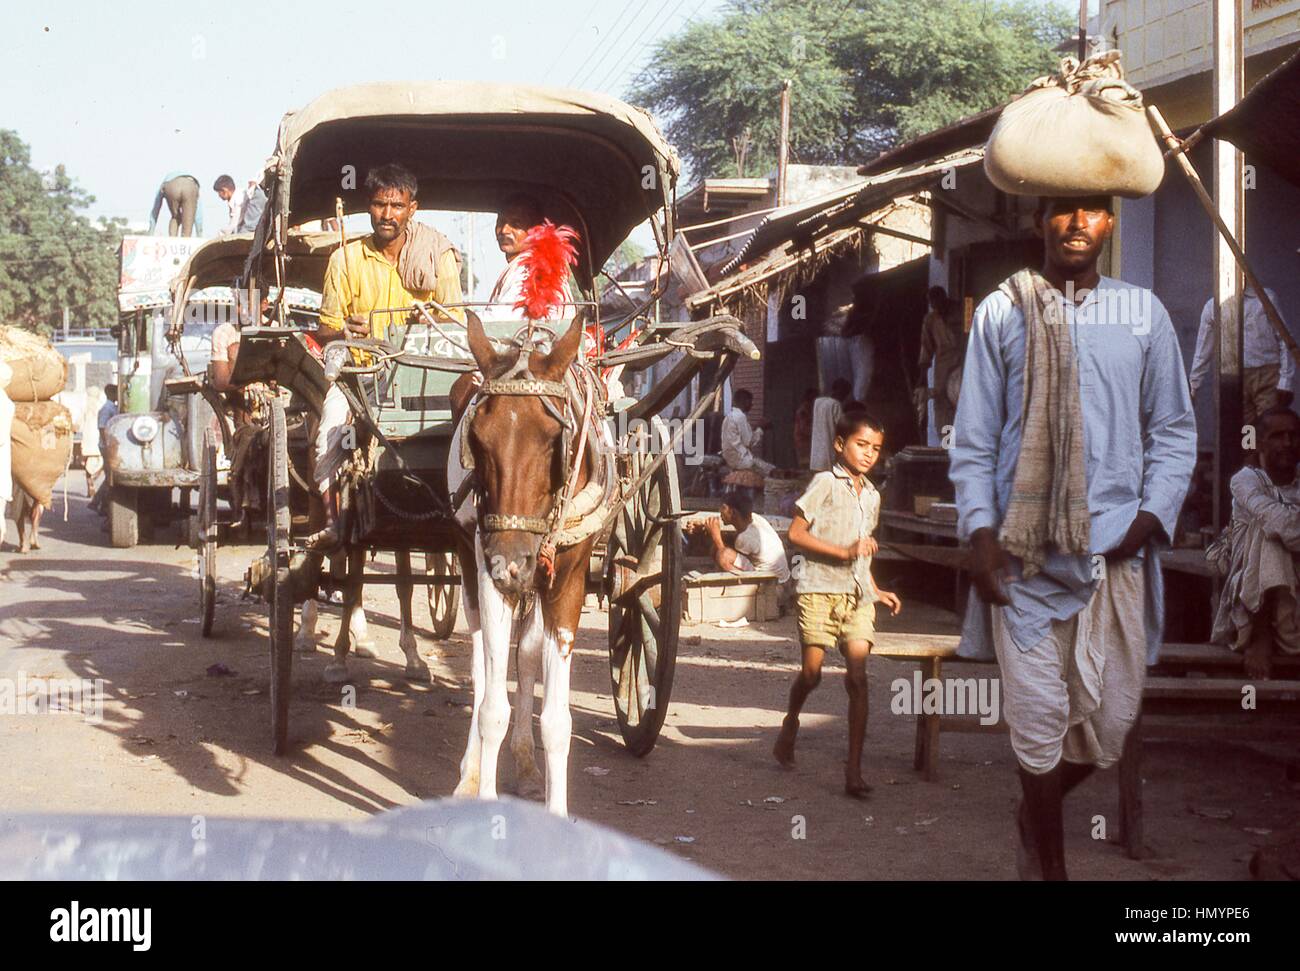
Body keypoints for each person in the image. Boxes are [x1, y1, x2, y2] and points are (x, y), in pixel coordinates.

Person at [949, 195, 1196, 881]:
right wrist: (979, 532)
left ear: (1110, 222)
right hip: (1023, 558)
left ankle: (1037, 811)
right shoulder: (1003, 310)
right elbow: (972, 440)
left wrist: (1150, 519)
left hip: (1115, 550)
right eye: (1062, 209)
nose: (1077, 222)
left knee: (1108, 725)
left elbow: (1174, 430)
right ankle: (1051, 868)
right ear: (1040, 222)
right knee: (1036, 723)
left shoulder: (1141, 314)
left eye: (1092, 210)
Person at [309, 163, 464, 548]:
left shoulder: (436, 256)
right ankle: (333, 522)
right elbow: (325, 329)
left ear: (413, 209)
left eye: (397, 205)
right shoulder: (344, 260)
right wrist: (343, 331)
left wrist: (428, 320)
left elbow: (456, 321)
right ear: (369, 207)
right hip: (360, 379)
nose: (388, 214)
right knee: (329, 433)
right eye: (380, 204)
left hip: (426, 380)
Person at [773, 409, 902, 798]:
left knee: (858, 679)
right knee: (811, 674)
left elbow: (863, 551)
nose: (868, 454)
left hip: (857, 597)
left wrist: (875, 588)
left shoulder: (874, 496)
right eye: (861, 445)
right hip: (817, 591)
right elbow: (796, 533)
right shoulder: (824, 484)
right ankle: (791, 721)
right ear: (840, 444)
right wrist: (842, 552)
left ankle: (853, 770)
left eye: (876, 449)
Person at [1209, 407, 1300, 681]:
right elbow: (1282, 526)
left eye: (1294, 436)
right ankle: (1261, 637)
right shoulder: (1246, 480)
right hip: (1251, 598)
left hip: (1292, 607)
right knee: (1267, 535)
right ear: (1259, 442)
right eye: (1277, 436)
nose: (1287, 443)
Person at [1188, 284, 1294, 425]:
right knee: (1246, 429)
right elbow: (1203, 349)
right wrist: (1194, 387)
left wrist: (1285, 381)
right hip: (1235, 378)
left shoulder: (1265, 298)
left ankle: (1262, 446)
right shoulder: (1212, 307)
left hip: (1267, 375)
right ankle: (1249, 447)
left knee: (1269, 423)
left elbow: (1284, 338)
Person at [694, 490, 792, 608]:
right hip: (781, 581)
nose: (720, 512)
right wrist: (704, 528)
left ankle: (740, 595)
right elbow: (726, 535)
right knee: (718, 548)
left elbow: (724, 554)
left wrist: (715, 535)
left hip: (774, 588)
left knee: (722, 554)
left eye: (723, 508)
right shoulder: (754, 518)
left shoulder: (746, 538)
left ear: (733, 512)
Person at [487, 193, 574, 320]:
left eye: (516, 224)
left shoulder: (528, 269)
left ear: (534, 231)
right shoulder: (525, 263)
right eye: (500, 222)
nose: (504, 230)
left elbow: (499, 320)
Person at [917, 285, 965, 441]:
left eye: (937, 302)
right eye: (932, 304)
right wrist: (922, 377)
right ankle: (947, 445)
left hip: (964, 362)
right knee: (942, 405)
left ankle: (967, 445)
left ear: (944, 298)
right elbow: (926, 348)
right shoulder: (930, 320)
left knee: (965, 403)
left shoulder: (964, 310)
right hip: (943, 367)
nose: (934, 306)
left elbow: (974, 335)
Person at [721, 388, 773, 480]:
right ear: (745, 401)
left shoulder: (729, 416)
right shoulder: (741, 417)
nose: (752, 404)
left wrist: (755, 428)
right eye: (750, 401)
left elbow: (739, 437)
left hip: (730, 457)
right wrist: (761, 429)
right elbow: (749, 442)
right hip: (741, 460)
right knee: (772, 470)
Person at [88, 384, 118, 515]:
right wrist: (107, 445)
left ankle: (100, 504)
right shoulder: (107, 408)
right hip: (107, 446)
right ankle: (98, 503)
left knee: (109, 477)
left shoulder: (112, 407)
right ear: (111, 393)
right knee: (110, 477)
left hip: (109, 445)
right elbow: (102, 427)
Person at [809, 379, 850, 472]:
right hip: (828, 450)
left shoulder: (818, 402)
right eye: (844, 393)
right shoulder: (835, 404)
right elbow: (842, 426)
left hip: (816, 453)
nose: (845, 397)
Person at [149, 172, 204, 237]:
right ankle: (185, 242)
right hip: (189, 186)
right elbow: (198, 215)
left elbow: (156, 208)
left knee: (175, 217)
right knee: (188, 221)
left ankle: (172, 240)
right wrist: (199, 235)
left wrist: (151, 231)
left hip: (171, 185)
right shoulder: (194, 185)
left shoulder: (165, 180)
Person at [792, 388, 817, 467]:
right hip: (803, 442)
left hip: (807, 442)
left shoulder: (809, 409)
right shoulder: (803, 411)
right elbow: (804, 428)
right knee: (805, 464)